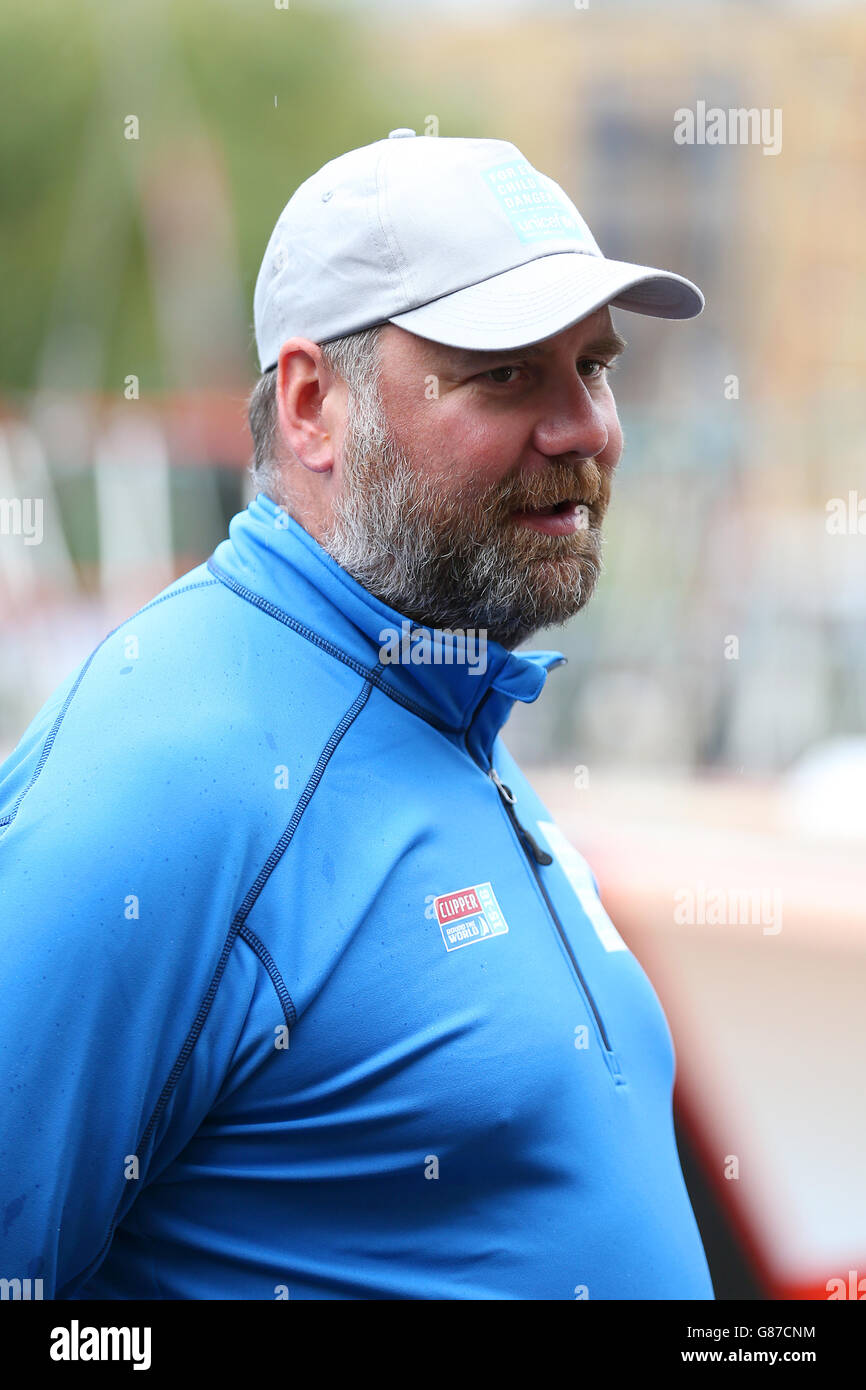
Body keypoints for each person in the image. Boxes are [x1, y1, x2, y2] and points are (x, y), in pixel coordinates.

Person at [0, 130, 714, 1300]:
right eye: (506, 374)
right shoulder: (175, 770)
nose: (584, 429)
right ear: (311, 405)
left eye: (593, 367)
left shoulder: (446, 696)